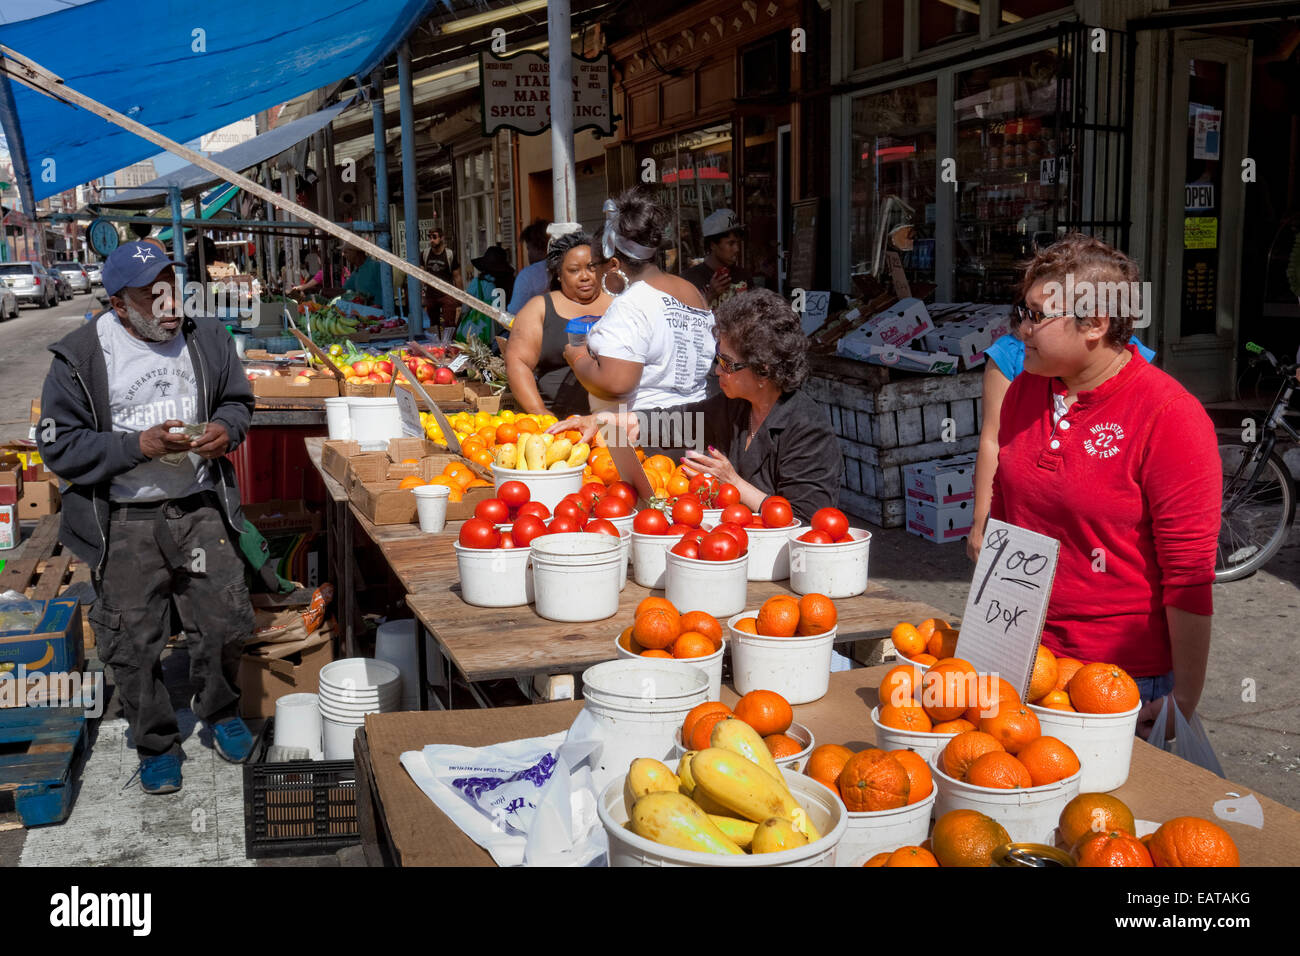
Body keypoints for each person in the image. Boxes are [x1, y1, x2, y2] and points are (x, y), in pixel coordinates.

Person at [36, 241, 259, 794]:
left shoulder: (207, 337)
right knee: (132, 641)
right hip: (125, 520)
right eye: (149, 294)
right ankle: (156, 742)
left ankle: (222, 711)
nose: (167, 304)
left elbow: (238, 401)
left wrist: (226, 430)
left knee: (225, 621)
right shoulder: (81, 357)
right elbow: (59, 447)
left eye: (172, 288)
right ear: (117, 304)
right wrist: (138, 445)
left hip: (199, 508)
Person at [987, 233, 1220, 741]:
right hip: (1022, 656)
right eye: (1020, 311)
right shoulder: (1026, 389)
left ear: (1094, 323)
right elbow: (1006, 512)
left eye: (1035, 316)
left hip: (1119, 682)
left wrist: (1183, 701)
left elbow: (1189, 574)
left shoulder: (1169, 416)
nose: (1019, 330)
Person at [554, 289, 842, 521]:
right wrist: (603, 421)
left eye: (727, 364)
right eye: (718, 358)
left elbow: (806, 520)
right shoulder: (736, 406)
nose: (717, 371)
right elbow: (675, 423)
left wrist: (734, 483)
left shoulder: (808, 429)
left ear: (763, 371)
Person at [969, 321, 1157, 562]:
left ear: (1095, 325)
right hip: (1023, 537)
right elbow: (993, 440)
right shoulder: (1014, 359)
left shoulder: (1125, 358)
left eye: (1041, 314)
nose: (1028, 328)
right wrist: (981, 519)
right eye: (1029, 311)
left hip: (1095, 545)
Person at [565, 189, 714, 412]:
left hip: (645, 435)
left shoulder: (632, 303)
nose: (593, 275)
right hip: (696, 422)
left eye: (595, 265)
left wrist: (577, 357)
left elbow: (616, 383)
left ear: (614, 265)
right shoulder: (690, 290)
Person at [505, 229, 613, 419]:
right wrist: (541, 414)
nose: (585, 276)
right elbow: (518, 362)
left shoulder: (619, 305)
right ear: (558, 274)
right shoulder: (539, 308)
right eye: (574, 270)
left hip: (613, 422)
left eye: (591, 267)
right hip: (556, 422)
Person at [681, 209, 750, 308]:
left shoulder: (743, 276)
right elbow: (684, 319)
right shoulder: (689, 279)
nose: (737, 249)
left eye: (737, 242)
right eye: (731, 243)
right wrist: (710, 295)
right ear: (713, 245)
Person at [458, 244, 514, 347]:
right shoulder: (511, 283)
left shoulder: (478, 283)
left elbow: (465, 309)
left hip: (480, 334)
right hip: (506, 334)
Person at [507, 220, 552, 315]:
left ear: (538, 247)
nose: (529, 254)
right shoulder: (564, 268)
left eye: (529, 248)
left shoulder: (528, 276)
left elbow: (513, 313)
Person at [422, 228, 462, 332]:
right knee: (433, 326)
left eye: (434, 237)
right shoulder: (425, 254)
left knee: (449, 325)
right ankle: (436, 346)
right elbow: (421, 274)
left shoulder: (449, 254)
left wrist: (459, 297)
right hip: (431, 295)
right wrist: (423, 293)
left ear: (442, 238)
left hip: (447, 295)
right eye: (429, 237)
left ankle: (450, 346)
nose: (432, 240)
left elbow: (457, 276)